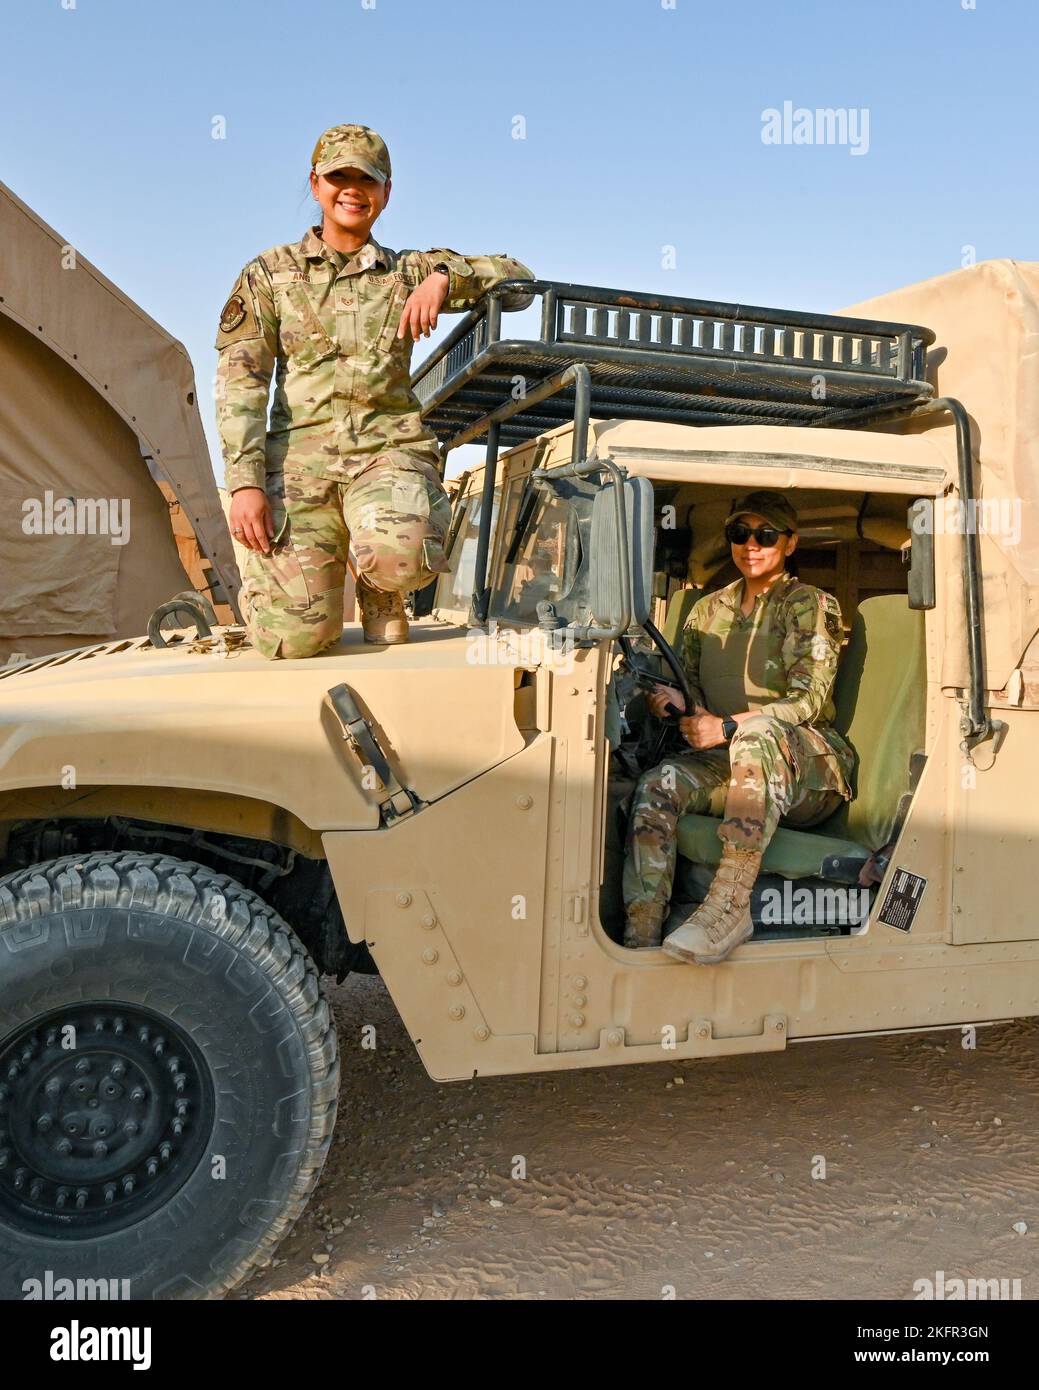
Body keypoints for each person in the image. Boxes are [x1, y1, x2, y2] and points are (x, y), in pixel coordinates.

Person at [215, 123, 534, 658]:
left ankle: (381, 589)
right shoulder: (269, 274)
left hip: (385, 452)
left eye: (367, 179)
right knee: (294, 642)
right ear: (315, 184)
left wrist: (443, 277)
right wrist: (245, 482)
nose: (352, 190)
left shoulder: (406, 272)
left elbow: (517, 278)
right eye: (339, 176)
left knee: (398, 555)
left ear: (386, 192)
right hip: (299, 464)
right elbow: (241, 382)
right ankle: (293, 588)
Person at [622, 490, 855, 964]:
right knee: (656, 786)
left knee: (757, 732)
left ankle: (728, 907)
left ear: (790, 543)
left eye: (766, 535)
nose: (752, 544)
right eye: (740, 533)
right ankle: (640, 934)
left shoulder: (808, 604)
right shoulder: (709, 611)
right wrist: (677, 702)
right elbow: (692, 692)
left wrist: (726, 727)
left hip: (805, 767)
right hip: (732, 760)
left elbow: (807, 703)